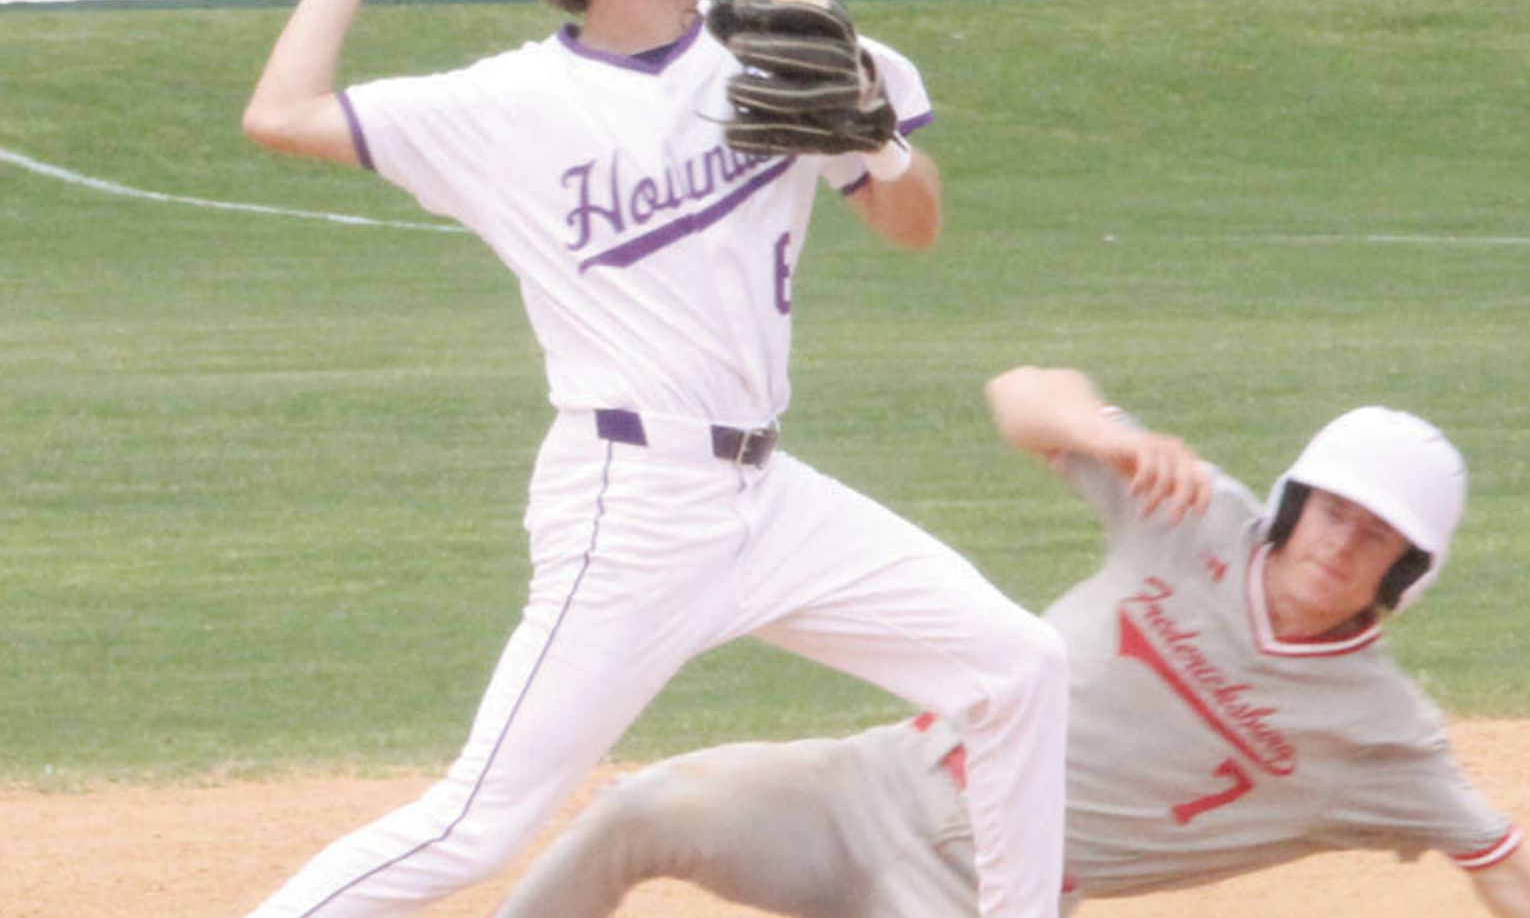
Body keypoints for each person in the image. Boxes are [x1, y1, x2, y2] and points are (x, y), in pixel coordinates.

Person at [238, 0, 1068, 918]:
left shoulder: (783, 54)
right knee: (475, 824)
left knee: (1020, 668)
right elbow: (279, 110)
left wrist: (871, 133)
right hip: (630, 509)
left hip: (769, 500)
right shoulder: (507, 105)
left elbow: (912, 223)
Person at [489, 365, 1530, 918]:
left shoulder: (1380, 731)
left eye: (1377, 536)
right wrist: (1107, 432)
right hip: (869, 785)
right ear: (1295, 503)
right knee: (644, 809)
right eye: (1334, 511)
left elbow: (1503, 863)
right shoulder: (1193, 511)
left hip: (987, 891)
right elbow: (1020, 391)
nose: (1342, 542)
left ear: (1405, 574)